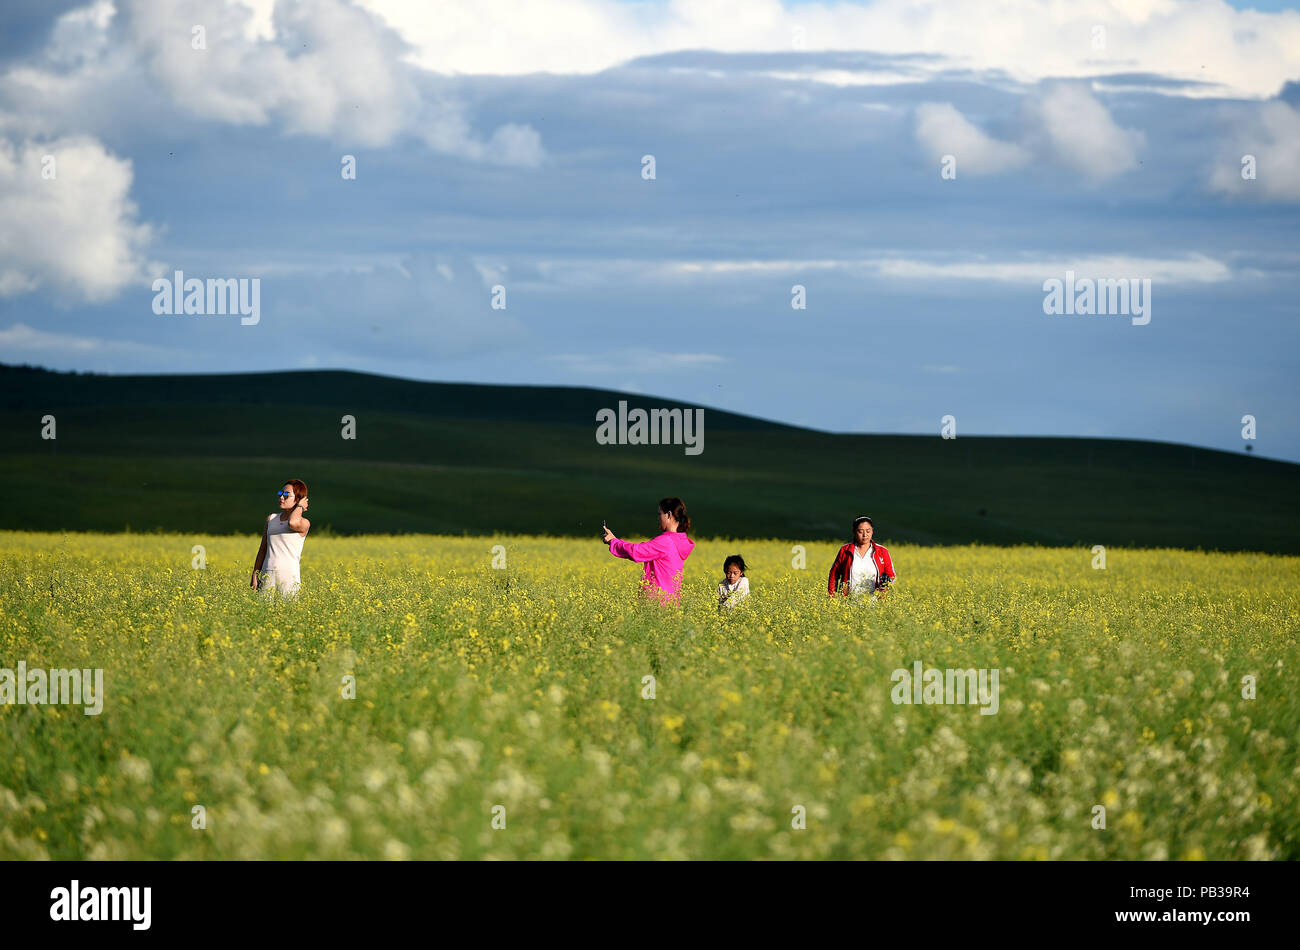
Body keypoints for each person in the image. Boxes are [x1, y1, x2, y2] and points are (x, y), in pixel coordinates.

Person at [602, 497, 695, 604]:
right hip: (671, 603)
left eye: (659, 514)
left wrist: (614, 542)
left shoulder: (666, 541)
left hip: (656, 604)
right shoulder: (679, 541)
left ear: (668, 515)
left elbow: (636, 551)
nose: (658, 518)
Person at [251, 479, 311, 596]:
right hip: (267, 573)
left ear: (298, 499)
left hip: (289, 576)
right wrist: (255, 574)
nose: (282, 497)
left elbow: (292, 523)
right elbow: (263, 549)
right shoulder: (271, 519)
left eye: (287, 495)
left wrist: (300, 507)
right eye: (281, 493)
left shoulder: (304, 523)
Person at [827, 515, 896, 599]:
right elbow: (834, 574)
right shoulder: (845, 550)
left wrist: (886, 585)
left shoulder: (882, 552)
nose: (865, 535)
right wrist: (831, 597)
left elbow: (891, 576)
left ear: (872, 531)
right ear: (854, 532)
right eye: (860, 531)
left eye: (868, 531)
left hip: (875, 604)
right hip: (848, 603)